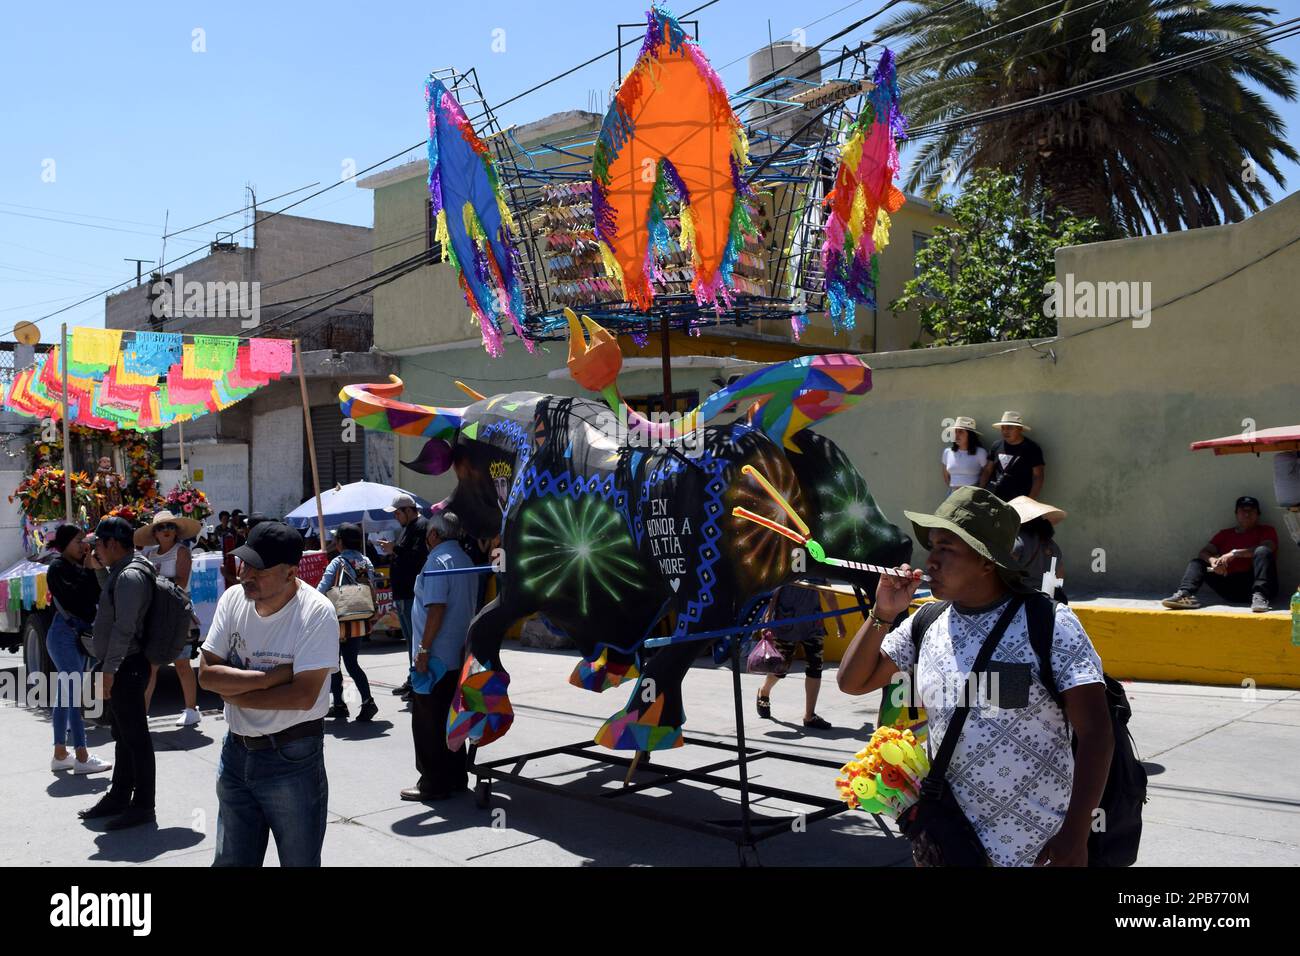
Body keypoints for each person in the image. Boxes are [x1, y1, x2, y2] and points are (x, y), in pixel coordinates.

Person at [837, 486, 1112, 867]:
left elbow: (1097, 733)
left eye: (946, 549)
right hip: (950, 842)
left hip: (1037, 848)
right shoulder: (926, 622)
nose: (930, 561)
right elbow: (853, 681)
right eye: (931, 547)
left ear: (987, 561)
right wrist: (883, 612)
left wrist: (1075, 836)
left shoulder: (1047, 623)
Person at [198, 521, 338, 867]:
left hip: (292, 758)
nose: (246, 574)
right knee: (230, 861)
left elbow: (303, 696)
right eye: (245, 564)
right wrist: (267, 680)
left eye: (259, 569)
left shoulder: (316, 613)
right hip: (236, 753)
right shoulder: (233, 599)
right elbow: (206, 674)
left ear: (291, 572)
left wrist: (236, 694)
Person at [78, 516, 157, 830]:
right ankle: (120, 796)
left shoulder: (129, 577)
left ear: (111, 544)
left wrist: (109, 670)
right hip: (125, 663)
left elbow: (124, 627)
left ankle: (143, 806)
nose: (95, 547)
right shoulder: (122, 572)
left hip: (127, 664)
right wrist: (100, 570)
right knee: (123, 735)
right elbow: (113, 603)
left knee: (135, 738)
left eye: (98, 542)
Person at [402, 511, 476, 801]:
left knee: (428, 722)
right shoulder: (465, 559)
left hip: (435, 658)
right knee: (450, 718)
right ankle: (456, 777)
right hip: (457, 654)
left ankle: (432, 783)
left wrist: (423, 650)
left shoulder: (437, 560)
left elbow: (436, 608)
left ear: (434, 535)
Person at [45, 525, 112, 775]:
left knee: (65, 697)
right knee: (72, 695)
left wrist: (93, 568)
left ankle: (61, 754)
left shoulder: (80, 567)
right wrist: (87, 569)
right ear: (63, 544)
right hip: (63, 634)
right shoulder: (57, 568)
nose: (83, 545)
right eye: (77, 541)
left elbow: (94, 598)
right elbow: (74, 598)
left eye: (84, 540)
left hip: (77, 634)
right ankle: (82, 756)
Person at [137, 510, 202, 726]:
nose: (166, 531)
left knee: (182, 663)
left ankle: (191, 710)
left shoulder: (181, 552)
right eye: (161, 528)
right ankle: (143, 712)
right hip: (155, 614)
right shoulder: (149, 555)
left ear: (176, 532)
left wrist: (155, 582)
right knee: (151, 665)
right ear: (154, 533)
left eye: (170, 527)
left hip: (176, 613)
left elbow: (181, 583)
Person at [1162, 496, 1279, 613]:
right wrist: (1213, 562)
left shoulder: (1266, 530)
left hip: (1255, 583)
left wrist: (1234, 553)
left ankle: (1260, 597)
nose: (1247, 514)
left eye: (1251, 511)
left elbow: (1269, 547)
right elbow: (1204, 552)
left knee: (1262, 551)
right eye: (1243, 510)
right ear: (1236, 514)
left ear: (1257, 514)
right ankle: (1184, 595)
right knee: (1197, 563)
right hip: (1230, 587)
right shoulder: (1225, 534)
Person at [755, 583, 845, 729]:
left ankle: (809, 716)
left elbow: (828, 594)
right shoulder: (789, 562)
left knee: (815, 667)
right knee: (780, 668)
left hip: (813, 624)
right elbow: (775, 592)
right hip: (786, 622)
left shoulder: (817, 563)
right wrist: (767, 619)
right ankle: (764, 691)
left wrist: (839, 623)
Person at [317, 523, 378, 722]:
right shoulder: (366, 562)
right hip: (359, 619)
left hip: (338, 620)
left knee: (334, 664)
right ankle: (368, 701)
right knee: (352, 663)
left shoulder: (337, 562)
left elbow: (322, 588)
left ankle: (340, 705)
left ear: (340, 542)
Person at [380, 494, 429, 701]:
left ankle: (417, 680)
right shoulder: (408, 529)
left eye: (398, 513)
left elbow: (417, 557)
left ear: (409, 510)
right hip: (402, 593)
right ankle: (412, 678)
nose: (396, 517)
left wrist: (394, 549)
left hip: (411, 593)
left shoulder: (421, 527)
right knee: (409, 640)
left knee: (415, 641)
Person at [1009, 495, 1068, 601]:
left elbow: (1007, 571)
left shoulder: (1018, 541)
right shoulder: (1052, 545)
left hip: (1021, 597)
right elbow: (1060, 574)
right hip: (1045, 599)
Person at [979, 411, 1045, 502]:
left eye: (1009, 428)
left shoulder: (1032, 448)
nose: (1005, 431)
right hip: (994, 498)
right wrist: (980, 491)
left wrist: (1030, 501)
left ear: (1020, 429)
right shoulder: (996, 445)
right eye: (1003, 428)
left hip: (1019, 501)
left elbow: (1038, 476)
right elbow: (988, 470)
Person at [941, 416, 988, 491]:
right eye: (956, 431)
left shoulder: (980, 452)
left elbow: (986, 472)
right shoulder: (947, 452)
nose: (957, 435)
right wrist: (951, 488)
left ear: (970, 435)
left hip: (972, 493)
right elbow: (945, 474)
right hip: (953, 493)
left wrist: (979, 490)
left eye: (961, 432)